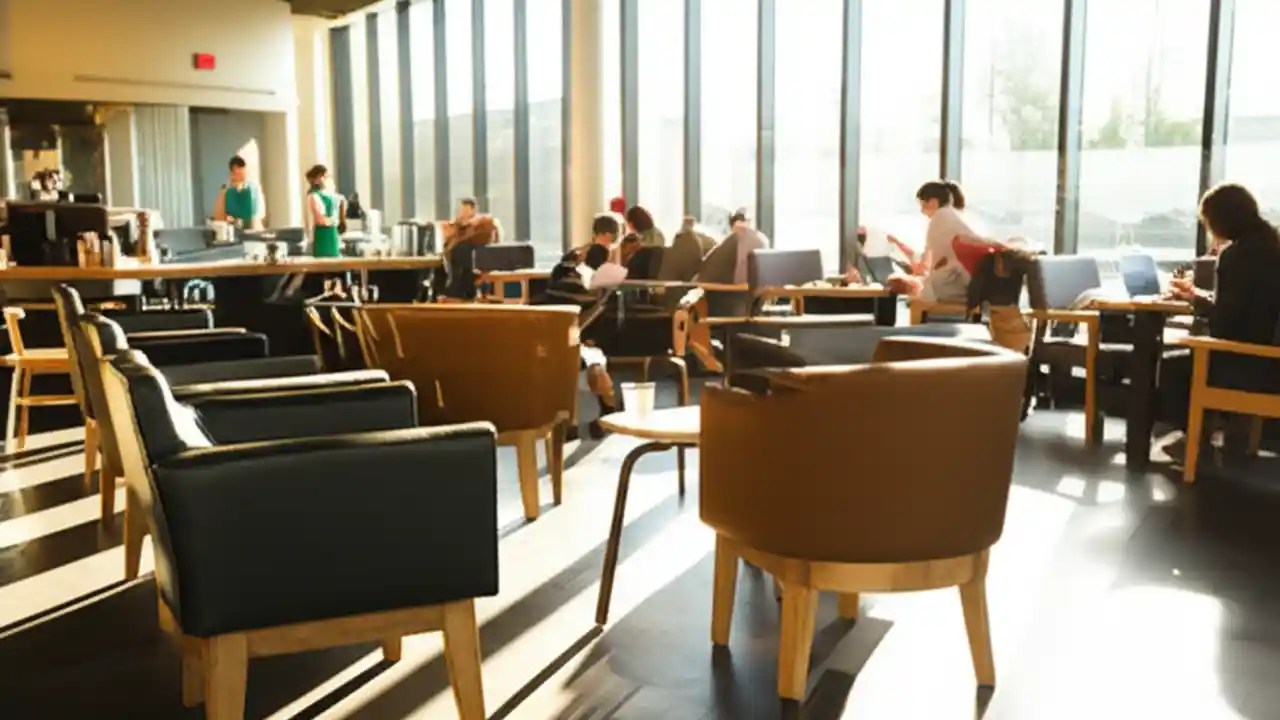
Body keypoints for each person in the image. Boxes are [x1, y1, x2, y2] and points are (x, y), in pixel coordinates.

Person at [535, 213, 625, 438]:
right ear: (608, 236)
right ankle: (607, 410)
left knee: (586, 360)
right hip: (577, 332)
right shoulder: (609, 265)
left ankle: (578, 420)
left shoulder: (570, 260)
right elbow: (607, 310)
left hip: (555, 331)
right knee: (592, 362)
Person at [885, 180, 990, 302]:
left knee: (902, 284)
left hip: (958, 284)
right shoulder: (960, 220)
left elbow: (924, 265)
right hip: (974, 281)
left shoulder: (940, 219)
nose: (922, 211)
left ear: (934, 201)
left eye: (923, 205)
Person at [212, 155, 266, 230]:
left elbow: (260, 213)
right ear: (231, 172)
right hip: (232, 229)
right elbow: (217, 216)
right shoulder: (225, 189)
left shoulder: (254, 188)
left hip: (252, 228)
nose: (239, 173)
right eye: (236, 171)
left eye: (241, 169)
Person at [303, 165, 343, 258]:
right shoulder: (313, 196)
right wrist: (334, 221)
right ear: (317, 179)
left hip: (333, 236)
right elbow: (320, 220)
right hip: (321, 237)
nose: (328, 179)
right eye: (325, 177)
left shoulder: (330, 195)